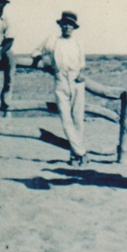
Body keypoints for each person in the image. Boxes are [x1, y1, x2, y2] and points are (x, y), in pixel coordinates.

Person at [31, 11, 87, 165]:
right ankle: (81, 152)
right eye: (65, 23)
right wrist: (46, 62)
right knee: (65, 119)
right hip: (61, 79)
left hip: (76, 80)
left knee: (78, 119)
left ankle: (75, 156)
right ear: (60, 25)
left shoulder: (78, 42)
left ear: (74, 27)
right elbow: (36, 52)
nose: (67, 26)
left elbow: (82, 63)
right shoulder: (53, 40)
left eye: (70, 24)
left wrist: (81, 73)